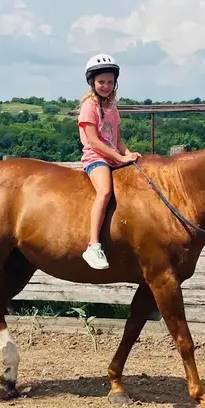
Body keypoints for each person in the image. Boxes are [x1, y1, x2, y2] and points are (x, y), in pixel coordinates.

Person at [77, 54, 141, 270]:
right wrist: (120, 157)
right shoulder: (89, 106)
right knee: (104, 191)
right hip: (96, 159)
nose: (106, 86)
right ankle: (93, 245)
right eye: (101, 82)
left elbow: (117, 139)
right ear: (92, 83)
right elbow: (94, 141)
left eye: (110, 82)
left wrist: (130, 154)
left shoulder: (112, 108)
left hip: (113, 157)